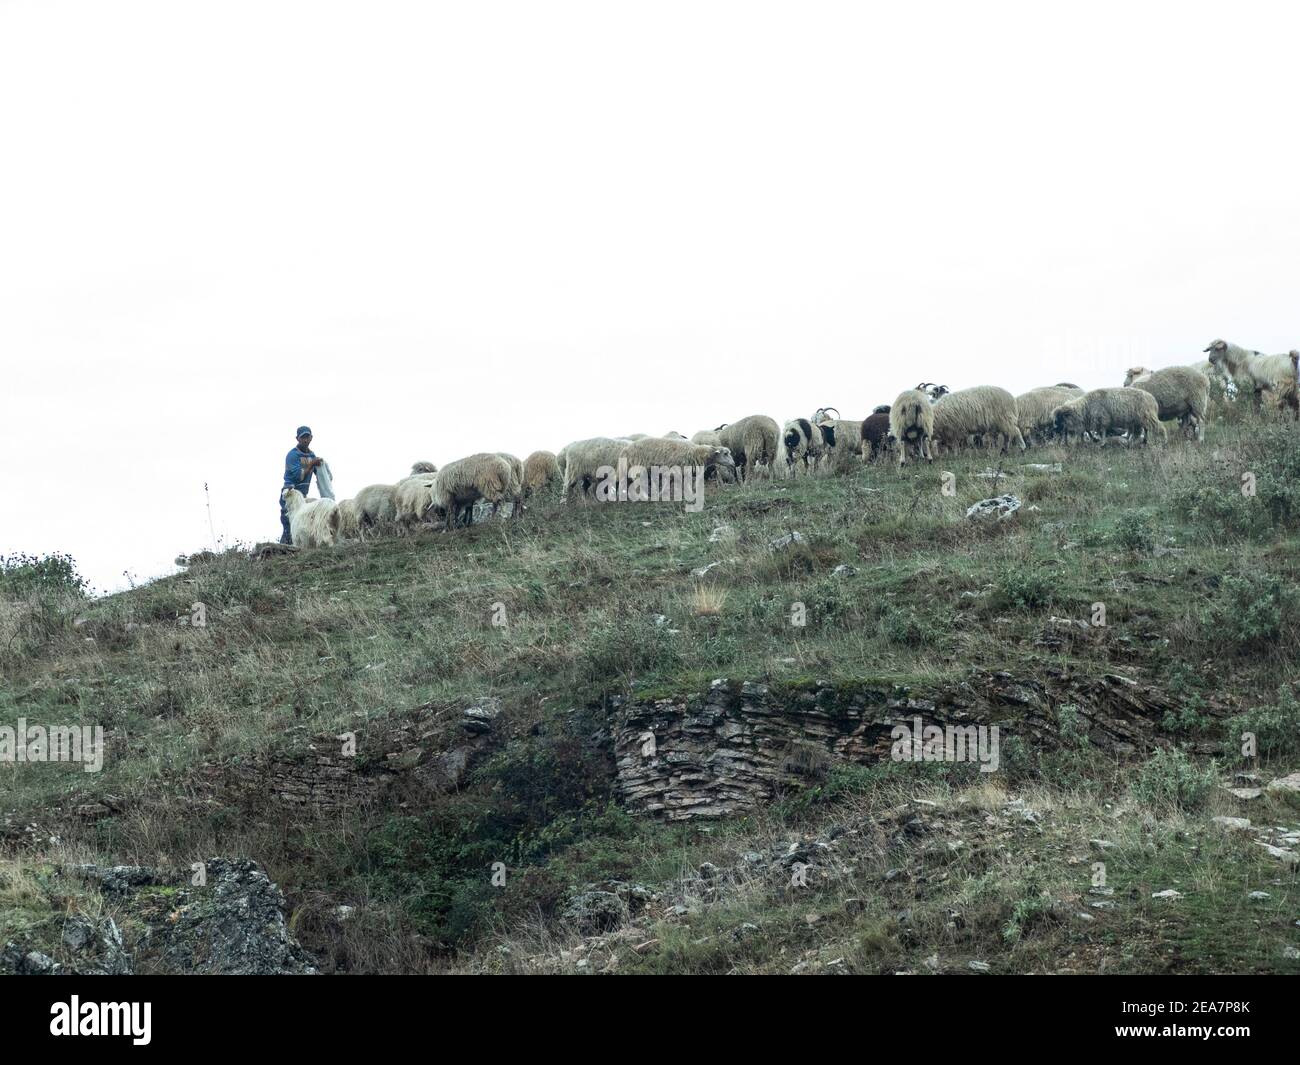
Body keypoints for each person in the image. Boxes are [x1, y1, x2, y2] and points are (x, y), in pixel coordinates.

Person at [280, 426, 324, 544]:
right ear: (297, 438)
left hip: (303, 496)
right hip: (290, 494)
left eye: (307, 437)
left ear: (311, 438)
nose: (305, 440)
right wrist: (312, 464)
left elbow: (317, 472)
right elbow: (297, 476)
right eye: (302, 437)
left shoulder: (311, 455)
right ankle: (283, 549)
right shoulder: (292, 455)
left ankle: (298, 549)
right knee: (289, 524)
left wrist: (323, 471)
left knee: (300, 525)